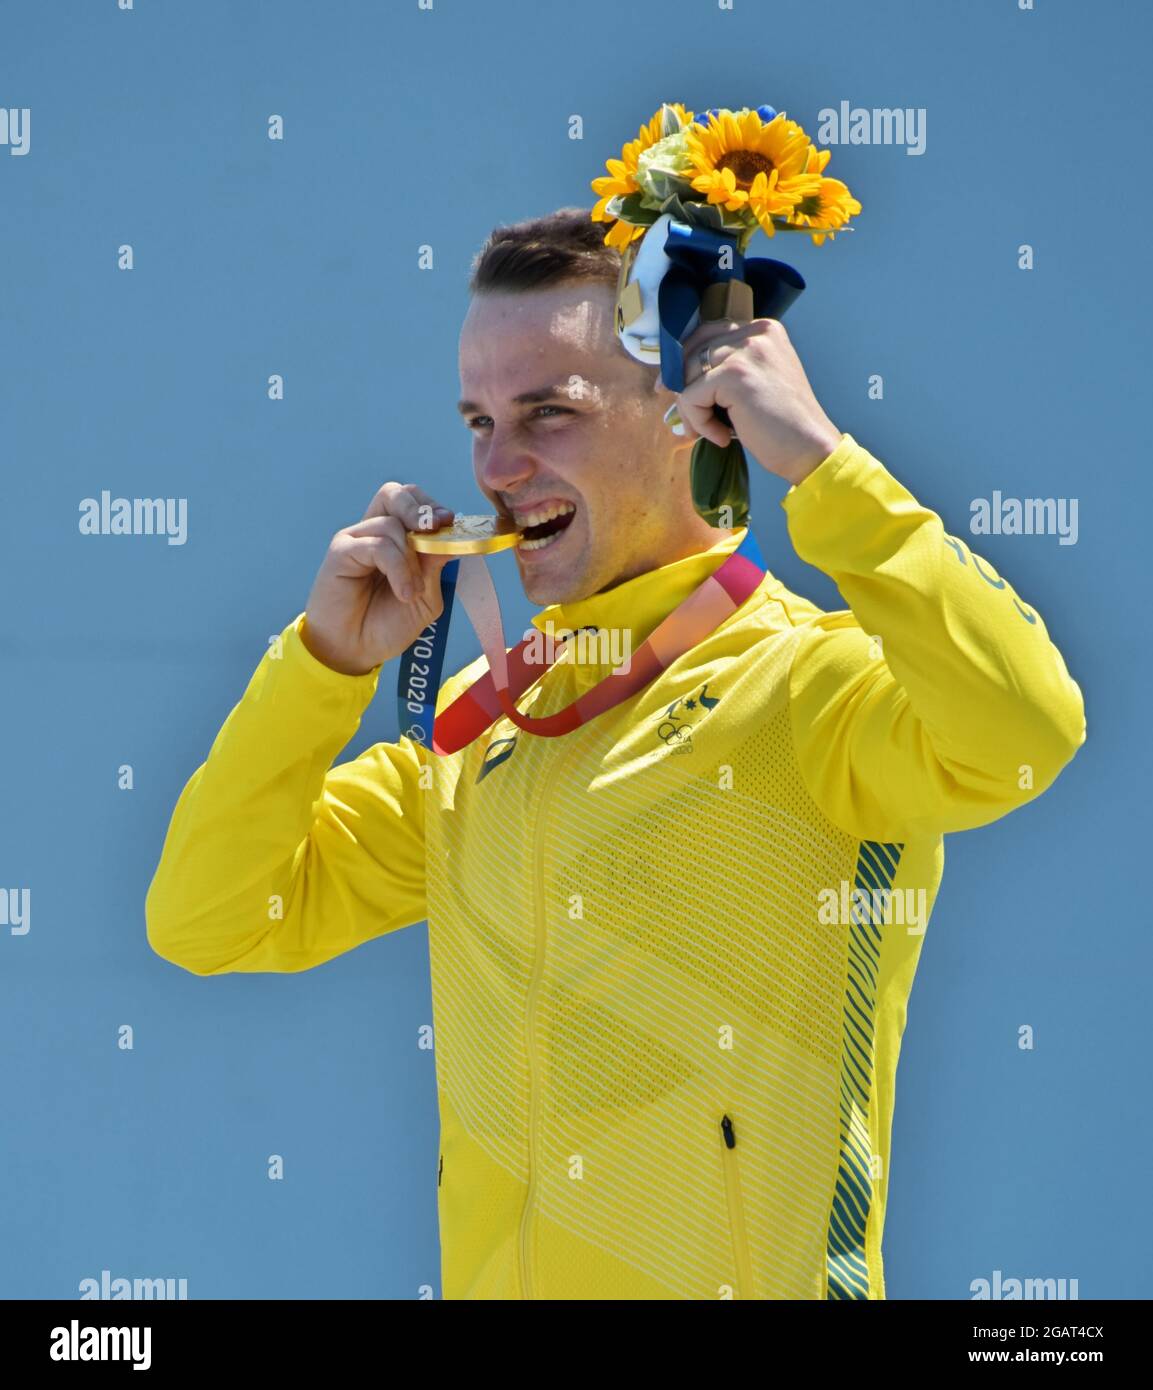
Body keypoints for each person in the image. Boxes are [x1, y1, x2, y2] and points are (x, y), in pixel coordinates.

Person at [145, 207, 1086, 1300]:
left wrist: (824, 468)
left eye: (550, 411)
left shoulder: (811, 689)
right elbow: (208, 919)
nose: (500, 464)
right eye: (478, 420)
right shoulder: (476, 734)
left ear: (696, 411)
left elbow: (1027, 729)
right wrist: (319, 668)